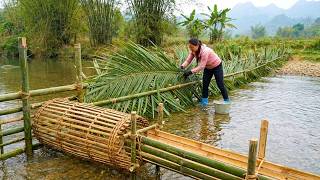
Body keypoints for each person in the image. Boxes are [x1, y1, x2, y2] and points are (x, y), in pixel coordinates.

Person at [180, 38, 230, 106]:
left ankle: (227, 101)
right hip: (208, 68)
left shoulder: (205, 51)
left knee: (220, 84)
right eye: (189, 47)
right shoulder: (193, 51)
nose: (190, 49)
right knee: (205, 84)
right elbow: (188, 61)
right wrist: (182, 66)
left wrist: (189, 72)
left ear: (197, 45)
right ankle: (204, 102)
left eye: (192, 47)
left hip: (217, 66)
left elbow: (201, 66)